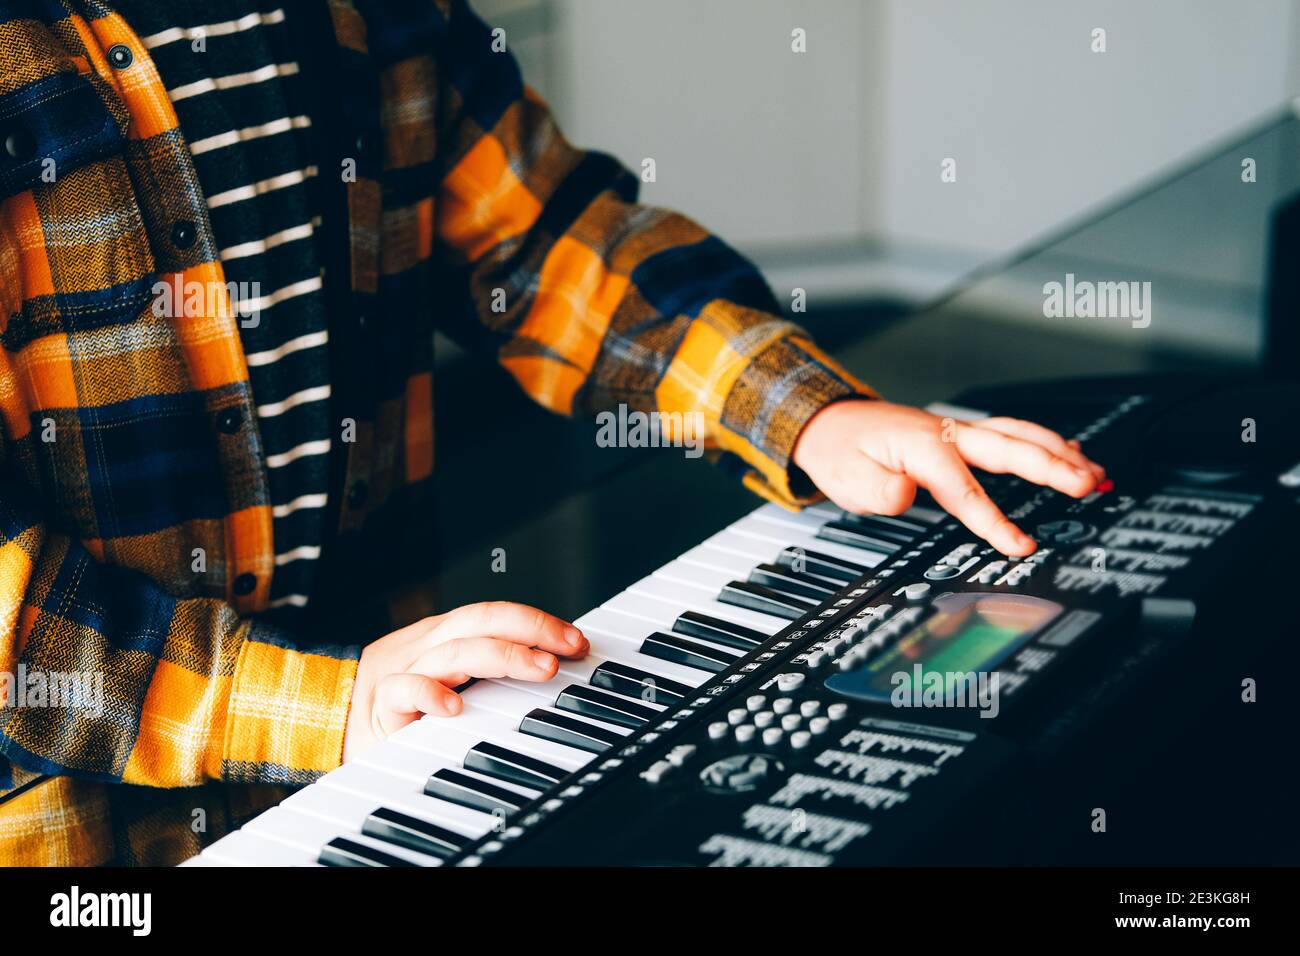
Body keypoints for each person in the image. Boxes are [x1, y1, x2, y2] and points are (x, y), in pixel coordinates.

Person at [0, 0, 1102, 865]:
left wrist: (809, 412)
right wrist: (314, 702)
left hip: (385, 746)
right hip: (88, 828)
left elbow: (542, 244)